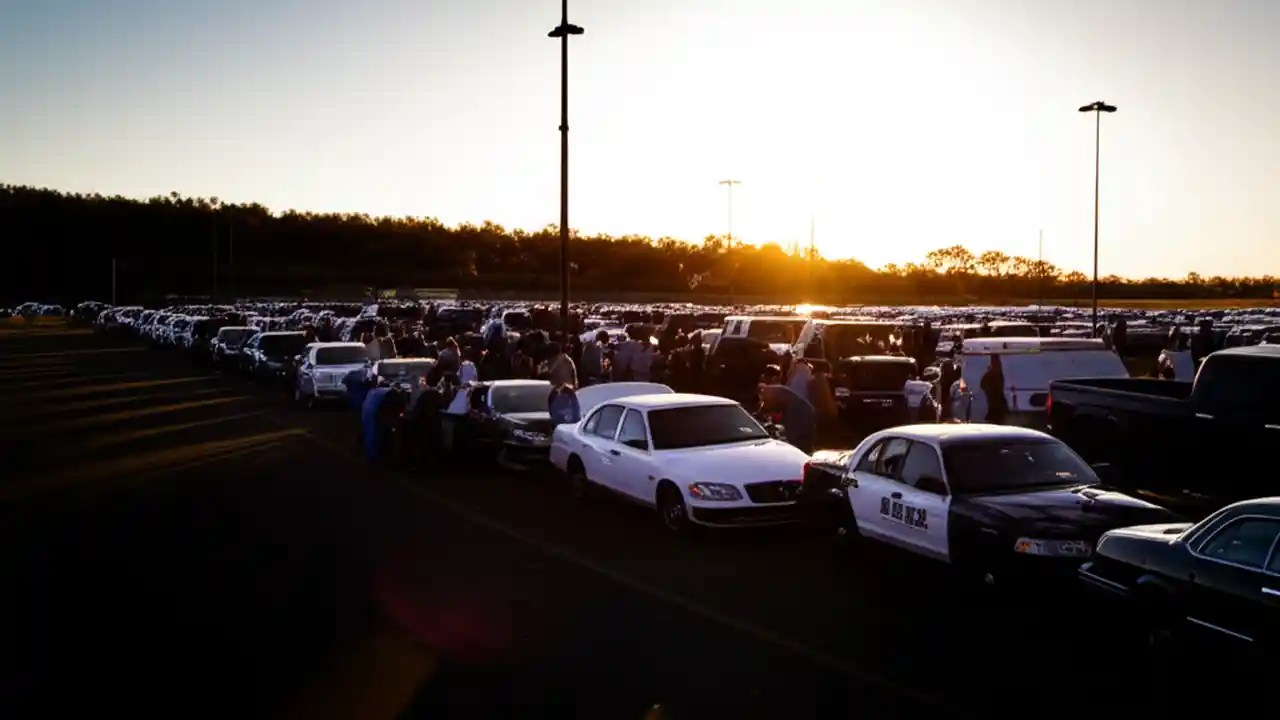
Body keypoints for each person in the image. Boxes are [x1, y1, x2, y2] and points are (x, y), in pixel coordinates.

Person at [758, 375, 817, 454]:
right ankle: (806, 451)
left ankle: (799, 453)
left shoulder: (767, 392)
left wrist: (757, 416)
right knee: (804, 435)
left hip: (797, 411)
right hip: (805, 410)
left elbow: (767, 407)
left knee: (795, 436)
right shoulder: (775, 389)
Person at [980, 354, 1009, 425]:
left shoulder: (997, 374)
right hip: (994, 406)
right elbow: (984, 386)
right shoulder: (990, 375)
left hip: (998, 406)